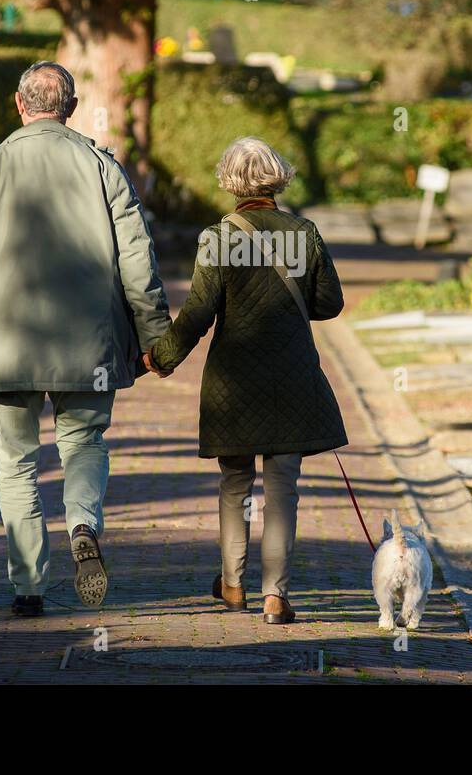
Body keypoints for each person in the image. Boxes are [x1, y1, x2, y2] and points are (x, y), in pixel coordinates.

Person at [0, 61, 170, 617]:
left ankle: (28, 585)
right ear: (69, 108)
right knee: (85, 443)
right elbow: (138, 262)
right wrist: (156, 334)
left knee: (16, 460)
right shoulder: (103, 168)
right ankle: (84, 524)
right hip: (87, 342)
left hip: (6, 338)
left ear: (19, 106)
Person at [145, 137, 347, 625]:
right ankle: (275, 597)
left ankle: (232, 586)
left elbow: (198, 313)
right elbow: (329, 304)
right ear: (278, 177)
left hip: (232, 384)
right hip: (293, 378)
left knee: (235, 484)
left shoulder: (219, 237)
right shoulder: (304, 233)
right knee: (283, 489)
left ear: (231, 181)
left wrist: (162, 356)